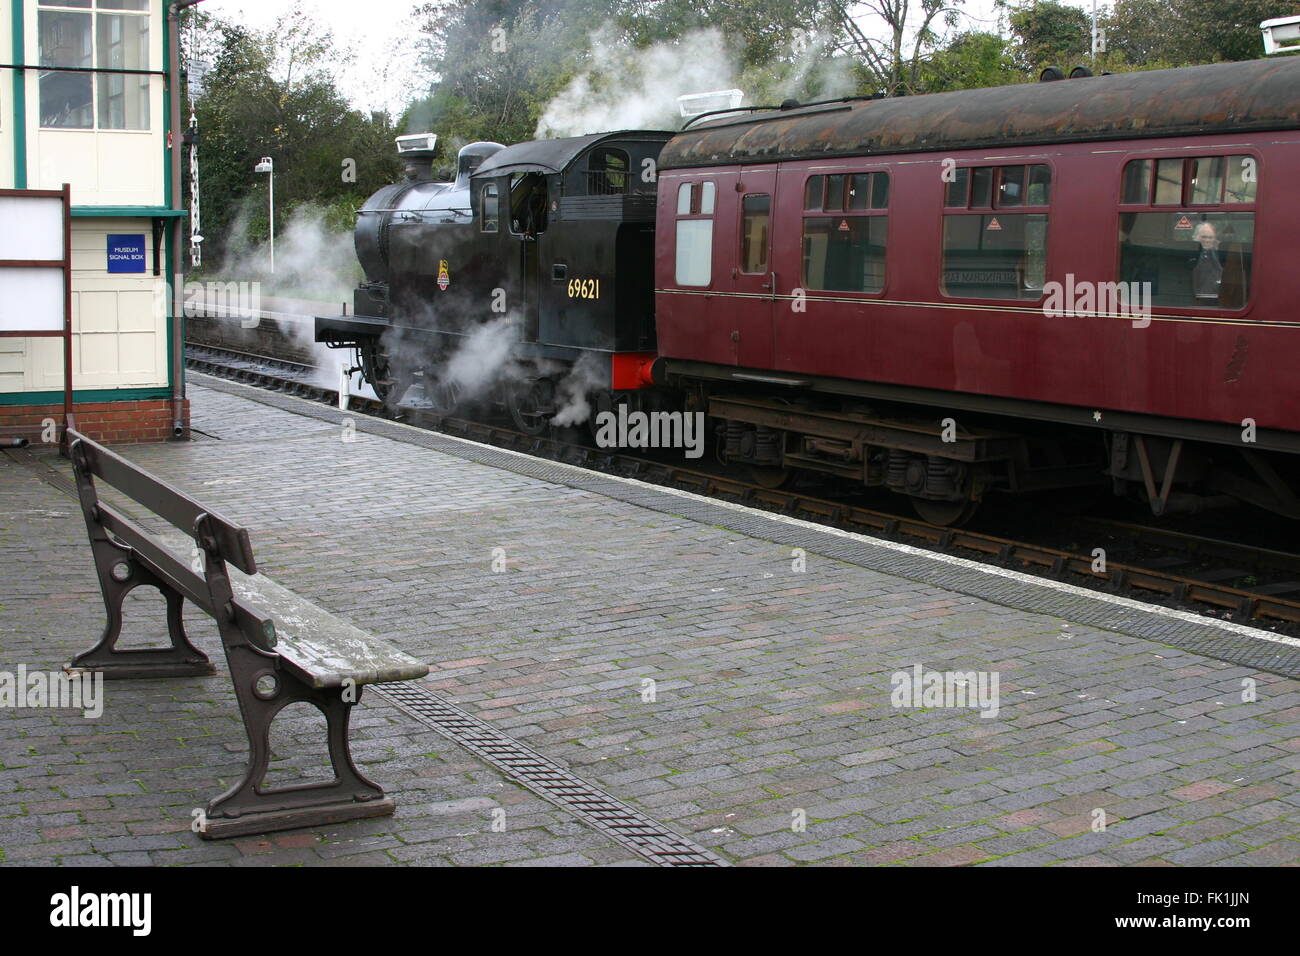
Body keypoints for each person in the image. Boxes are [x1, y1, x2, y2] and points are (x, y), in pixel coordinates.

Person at [1191, 221, 1222, 301]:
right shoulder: (1188, 256)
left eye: (1210, 237)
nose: (1207, 240)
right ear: (1195, 238)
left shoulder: (1220, 256)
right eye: (1204, 237)